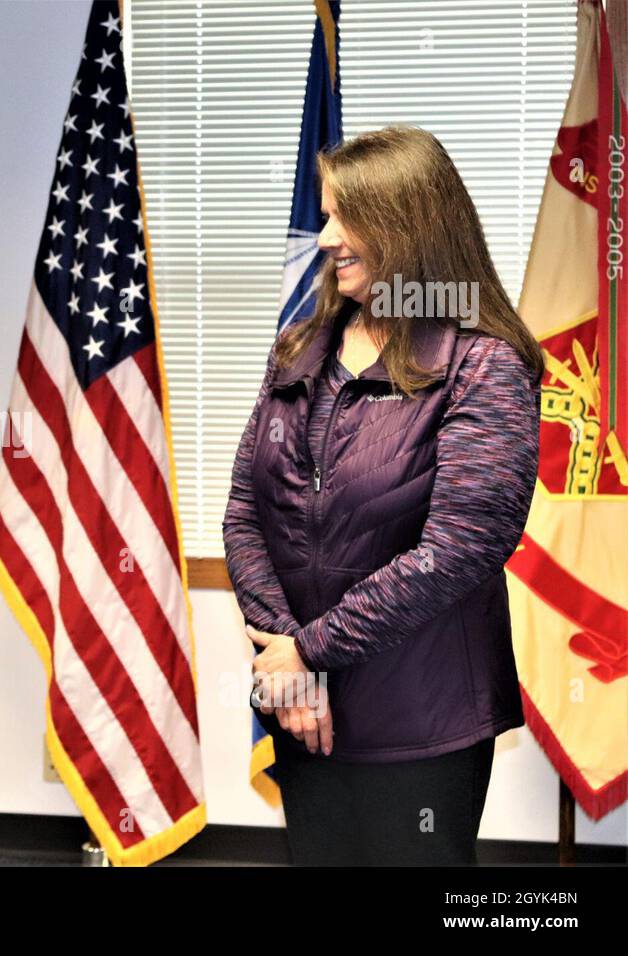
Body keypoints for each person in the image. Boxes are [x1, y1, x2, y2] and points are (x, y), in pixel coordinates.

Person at [222, 126, 544, 865]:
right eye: (327, 215)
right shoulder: (302, 350)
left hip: (420, 726)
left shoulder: (481, 363)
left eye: (345, 217)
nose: (327, 236)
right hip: (303, 710)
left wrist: (309, 652)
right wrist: (287, 663)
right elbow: (245, 511)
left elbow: (459, 550)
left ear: (410, 226)